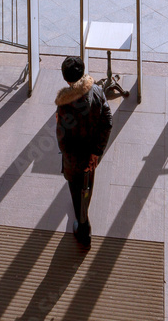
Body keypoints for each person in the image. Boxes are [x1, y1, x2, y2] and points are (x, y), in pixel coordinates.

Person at [55, 56, 113, 249]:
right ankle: (83, 219)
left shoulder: (64, 106)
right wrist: (96, 153)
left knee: (77, 191)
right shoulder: (96, 91)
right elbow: (107, 121)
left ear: (66, 79)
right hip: (91, 157)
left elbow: (63, 142)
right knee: (87, 187)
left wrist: (75, 162)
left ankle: (83, 229)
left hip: (75, 161)